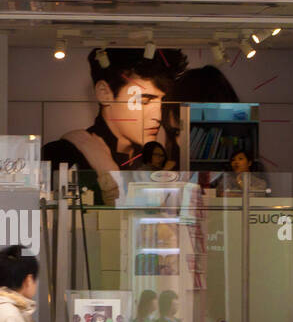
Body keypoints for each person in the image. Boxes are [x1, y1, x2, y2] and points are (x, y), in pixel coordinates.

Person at [41, 47, 188, 205]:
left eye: (163, 103)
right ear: (104, 93)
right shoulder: (62, 154)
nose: (158, 116)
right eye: (144, 101)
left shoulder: (157, 161)